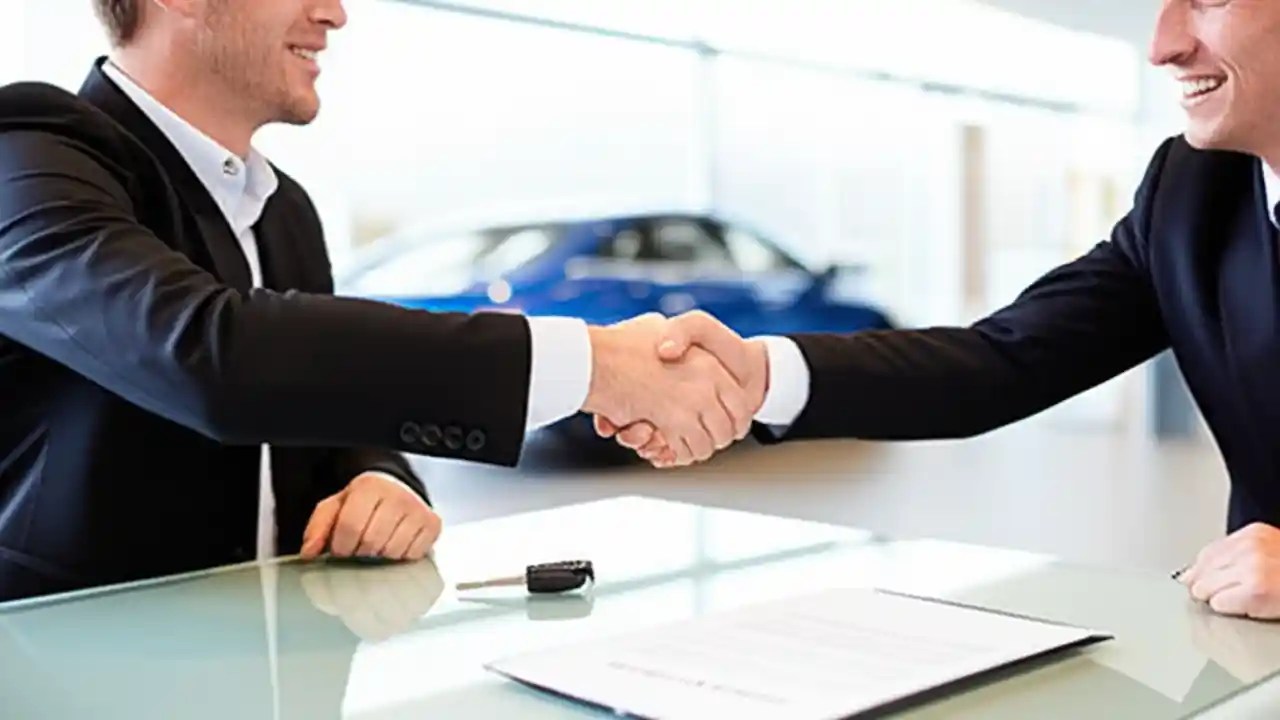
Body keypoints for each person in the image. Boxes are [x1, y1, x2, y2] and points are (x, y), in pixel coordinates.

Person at [0, 0, 765, 602]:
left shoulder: (284, 209)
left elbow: (330, 411)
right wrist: (591, 363)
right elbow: (208, 353)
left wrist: (381, 479)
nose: (334, 12)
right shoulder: (31, 149)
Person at [601, 0, 1280, 620]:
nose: (1162, 45)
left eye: (1208, 0)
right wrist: (756, 375)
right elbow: (1003, 358)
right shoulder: (1194, 192)